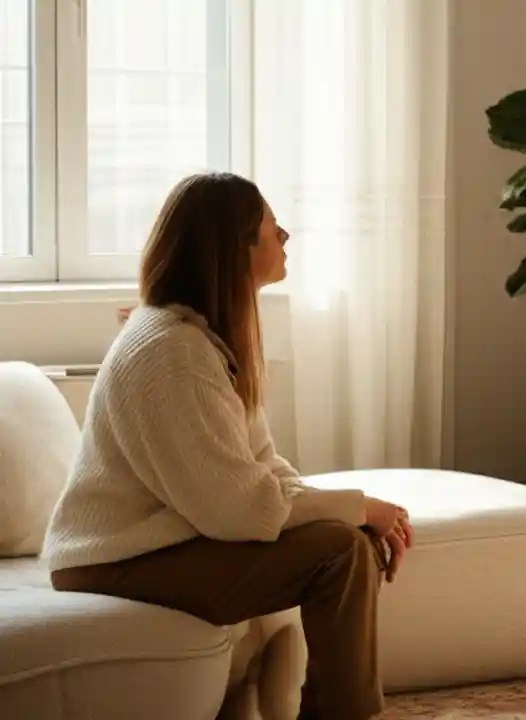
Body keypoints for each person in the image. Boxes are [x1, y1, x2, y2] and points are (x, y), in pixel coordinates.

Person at [42, 172, 411, 720]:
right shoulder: (174, 355)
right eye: (271, 227)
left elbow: (262, 466)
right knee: (340, 551)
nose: (284, 236)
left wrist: (352, 511)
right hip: (115, 559)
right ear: (234, 246)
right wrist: (360, 509)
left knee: (344, 538)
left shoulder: (203, 338)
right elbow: (239, 509)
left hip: (157, 545)